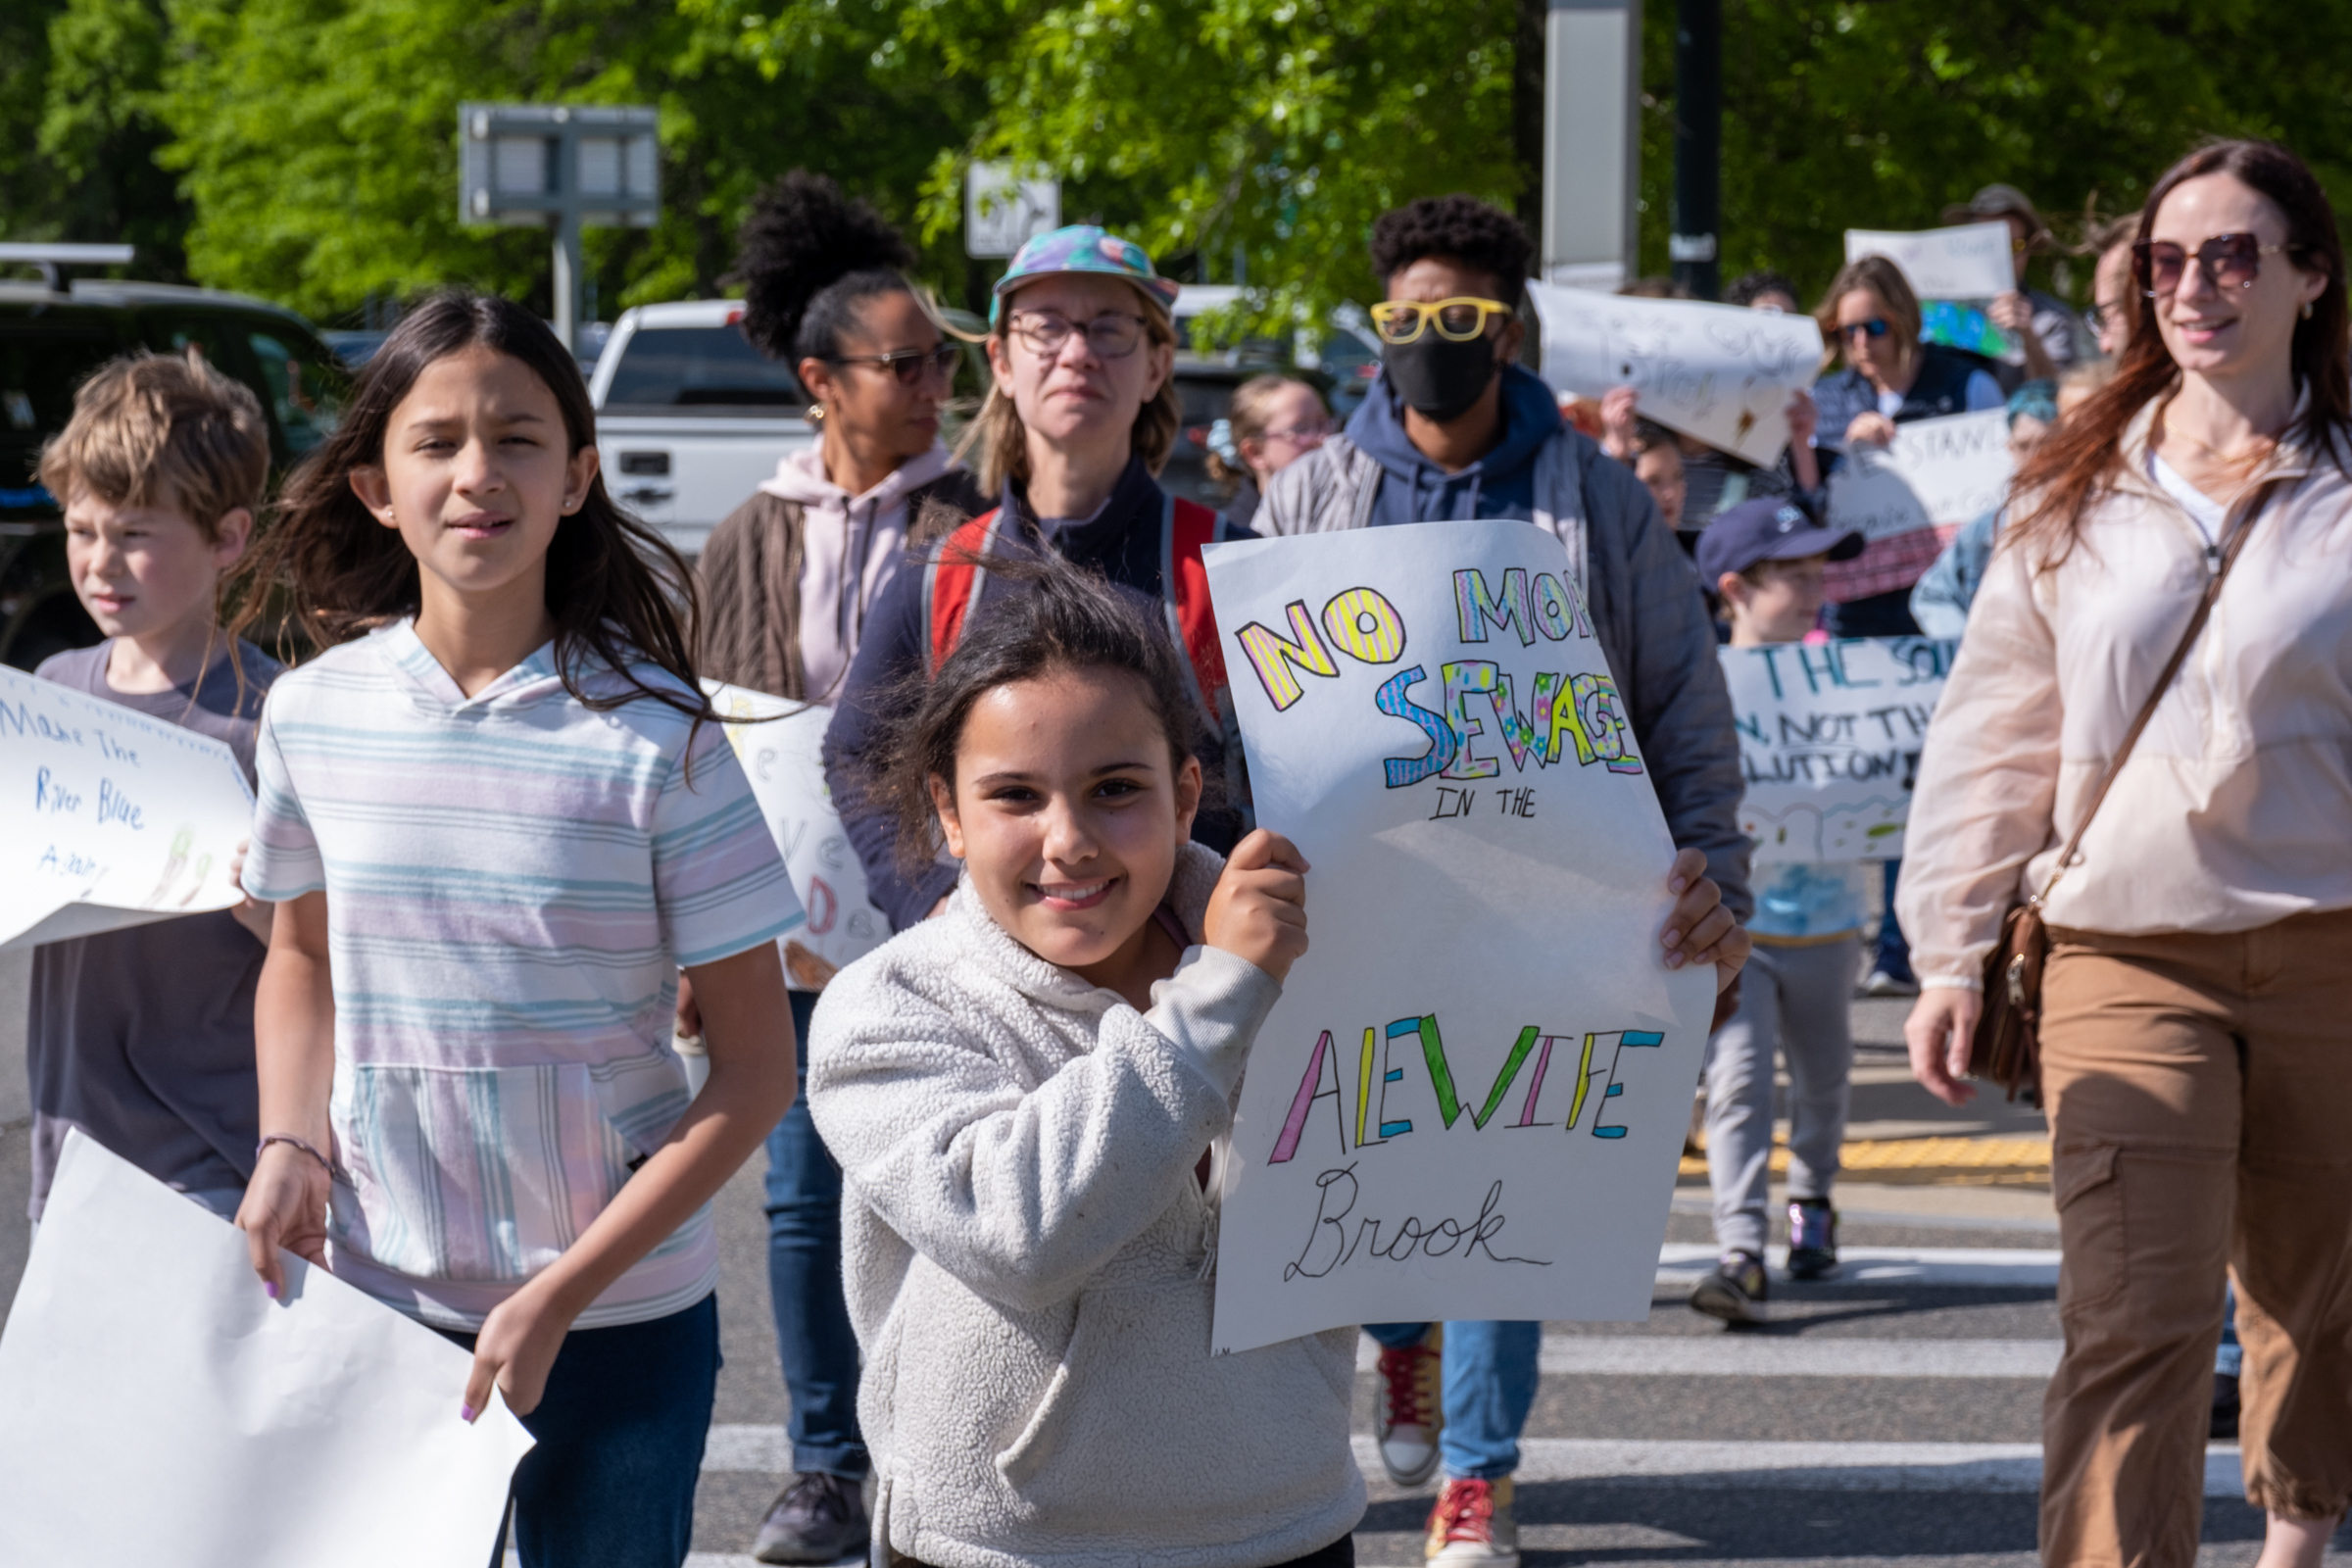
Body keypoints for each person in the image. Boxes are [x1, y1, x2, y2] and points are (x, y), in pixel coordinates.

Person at [231, 292, 804, 1568]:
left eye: (519, 438)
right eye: (436, 441)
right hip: (380, 1311)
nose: (477, 473)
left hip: (620, 1328)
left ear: (579, 477)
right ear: (378, 484)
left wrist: (562, 1294)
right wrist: (286, 1141)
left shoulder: (666, 737)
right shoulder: (313, 716)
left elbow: (759, 1073)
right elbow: (302, 957)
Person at [1257, 192, 1753, 1568]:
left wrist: (1718, 881)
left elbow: (1680, 702)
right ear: (1379, 331)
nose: (1434, 342)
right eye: (1408, 320)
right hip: (1368, 896)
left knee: (1505, 1174)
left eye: (1462, 319)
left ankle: (1478, 1472)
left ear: (1510, 330)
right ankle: (1399, 1340)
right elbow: (1256, 705)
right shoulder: (1307, 495)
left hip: (1547, 899)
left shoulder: (1592, 496)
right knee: (1372, 1142)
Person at [1901, 138, 2352, 1568]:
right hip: (2120, 950)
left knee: (2315, 1302)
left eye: (2232, 256)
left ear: (2310, 277)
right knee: (2134, 1322)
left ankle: (2299, 1524)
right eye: (2167, 260)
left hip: (2334, 948)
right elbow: (1996, 728)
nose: (2195, 285)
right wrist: (1949, 947)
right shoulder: (2075, 486)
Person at [808, 557, 1357, 1568]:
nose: (1068, 840)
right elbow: (1023, 1229)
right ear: (949, 811)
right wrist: (1221, 992)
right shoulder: (885, 1009)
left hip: (1287, 1521)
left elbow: (1493, 1080)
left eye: (1115, 790)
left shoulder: (1313, 953)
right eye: (1015, 794)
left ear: (1187, 794)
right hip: (1001, 1543)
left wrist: (1654, 951)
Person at [691, 169, 984, 1565]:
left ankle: (948, 1446)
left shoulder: (975, 517)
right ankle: (826, 1466)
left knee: (945, 1194)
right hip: (794, 929)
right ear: (822, 380)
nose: (936, 384)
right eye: (906, 364)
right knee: (805, 1199)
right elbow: (700, 727)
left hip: (946, 914)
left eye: (943, 360)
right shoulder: (749, 531)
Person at [824, 224, 1251, 932]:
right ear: (1000, 360)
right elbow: (855, 753)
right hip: (1001, 1003)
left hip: (1190, 991)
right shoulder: (940, 580)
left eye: (1111, 329)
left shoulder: (1231, 568)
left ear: (1156, 364)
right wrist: (922, 899)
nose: (1077, 352)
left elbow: (1303, 787)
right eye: (1045, 327)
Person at [24, 351, 281, 1230]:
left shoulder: (275, 722)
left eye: (134, 534)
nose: (100, 562)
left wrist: (268, 909)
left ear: (227, 539)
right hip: (69, 1156)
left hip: (218, 1165)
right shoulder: (49, 693)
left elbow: (337, 960)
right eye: (80, 529)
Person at [1689, 499, 1867, 1321]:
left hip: (1830, 922)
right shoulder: (1700, 689)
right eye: (1792, 577)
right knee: (1739, 1082)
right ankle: (1739, 1249)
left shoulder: (1855, 678)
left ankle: (1813, 1203)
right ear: (1736, 589)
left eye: (1817, 575)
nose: (1813, 591)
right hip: (1743, 927)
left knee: (1825, 1083)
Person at [1810, 254, 2004, 998]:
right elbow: (1804, 495)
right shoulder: (1831, 400)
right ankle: (1889, 944)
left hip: (1944, 605)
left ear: (1907, 320)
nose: (1861, 342)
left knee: (1938, 777)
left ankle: (1937, 937)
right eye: (1847, 329)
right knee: (1878, 777)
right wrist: (1841, 454)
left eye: (1875, 326)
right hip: (1858, 609)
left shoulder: (1965, 382)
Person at [1595, 274, 1824, 526]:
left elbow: (1802, 525)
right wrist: (1617, 454)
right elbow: (1604, 529)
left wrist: (1802, 448)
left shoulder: (1756, 466)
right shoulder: (1635, 454)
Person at [1907, 378, 2059, 638]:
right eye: (2024, 446)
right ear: (2010, 448)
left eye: (2047, 445)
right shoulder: (1984, 529)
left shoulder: (2102, 520)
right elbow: (1933, 595)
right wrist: (1974, 648)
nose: (2036, 459)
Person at [1941, 182, 2076, 378]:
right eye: (1984, 244)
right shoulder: (1940, 313)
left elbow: (2062, 397)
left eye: (2013, 246)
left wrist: (2028, 336)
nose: (1999, 257)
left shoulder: (2054, 320)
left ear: (2029, 250)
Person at [1205, 370, 1332, 523]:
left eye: (1324, 422)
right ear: (1255, 452)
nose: (1324, 437)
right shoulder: (1240, 535)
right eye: (1302, 428)